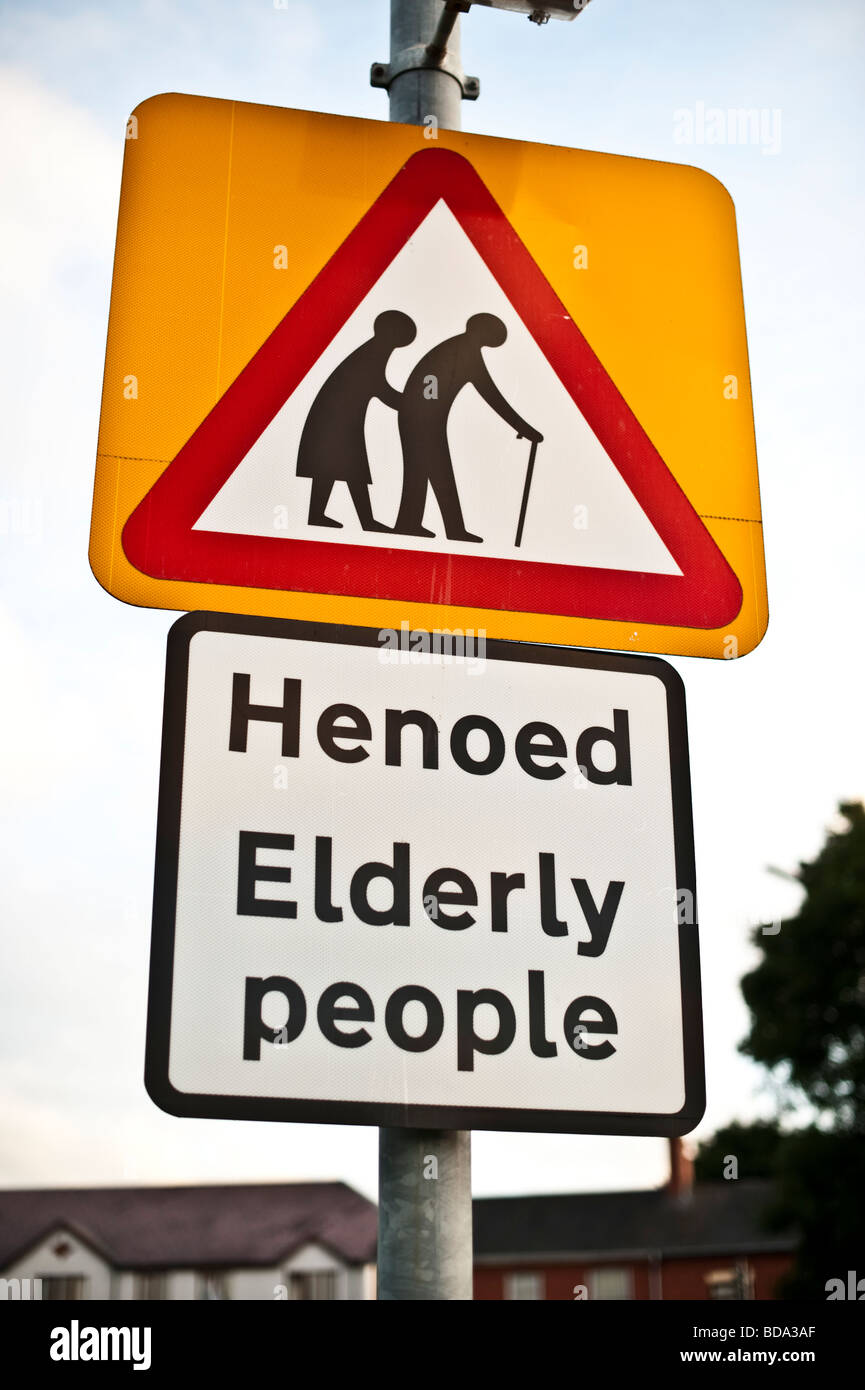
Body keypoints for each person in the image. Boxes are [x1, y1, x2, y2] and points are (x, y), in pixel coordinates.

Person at [392, 313, 543, 542]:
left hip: (419, 418)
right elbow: (491, 395)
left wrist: (524, 428)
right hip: (424, 420)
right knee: (439, 473)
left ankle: (408, 523)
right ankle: (450, 529)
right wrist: (524, 428)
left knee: (421, 472)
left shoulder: (458, 348)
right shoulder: (464, 352)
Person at [297, 310, 416, 532]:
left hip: (337, 418)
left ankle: (324, 516)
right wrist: (411, 404)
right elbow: (378, 387)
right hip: (337, 420)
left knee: (336, 468)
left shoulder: (375, 349)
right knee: (346, 468)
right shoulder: (375, 352)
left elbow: (376, 386)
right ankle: (362, 521)